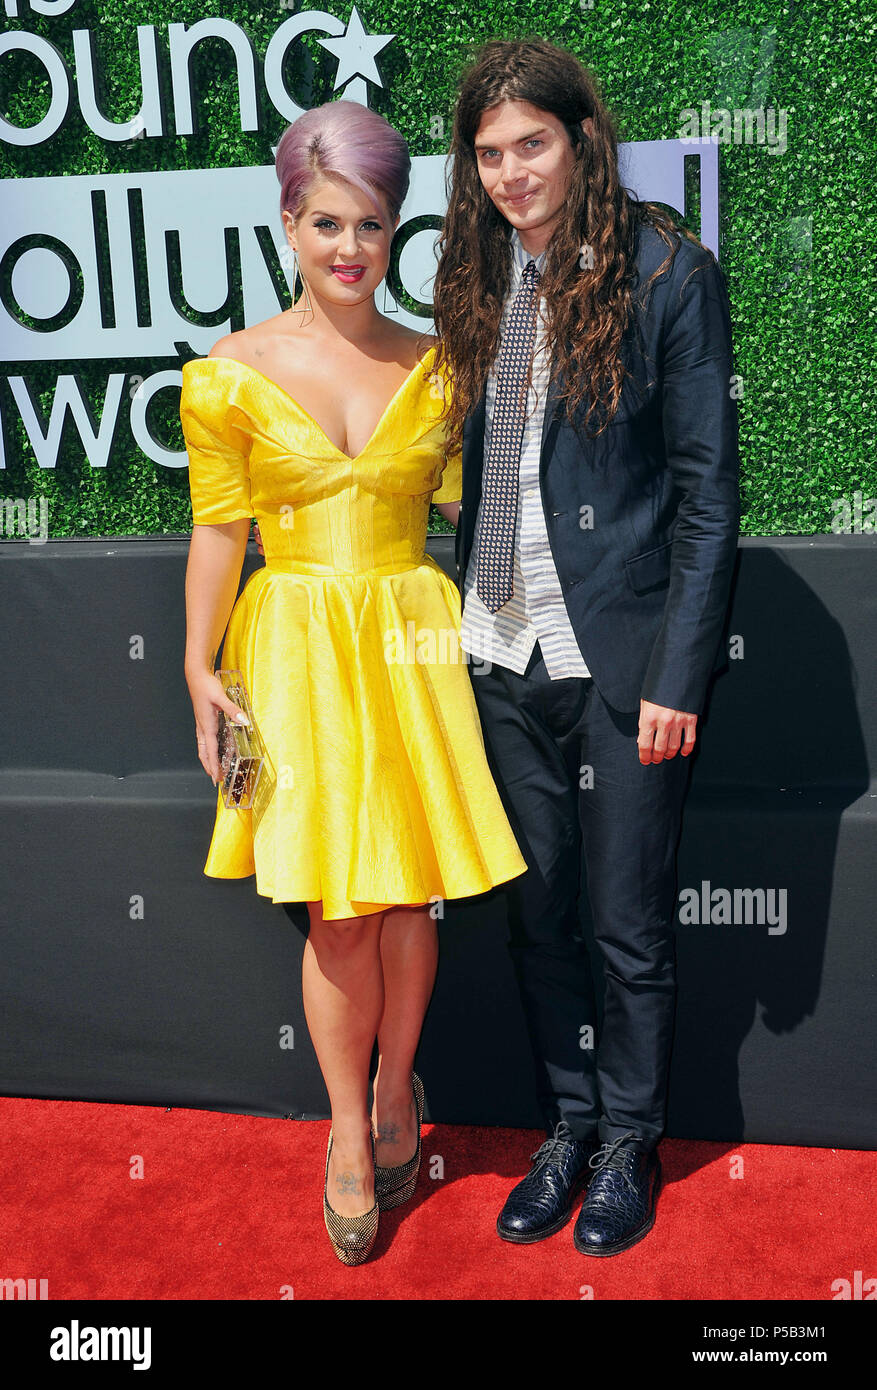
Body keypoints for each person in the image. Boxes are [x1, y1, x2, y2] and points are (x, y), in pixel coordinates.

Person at [180, 99, 526, 1266]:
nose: (347, 248)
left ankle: (394, 1092)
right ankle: (346, 1128)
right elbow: (221, 538)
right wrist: (197, 668)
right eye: (326, 222)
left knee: (411, 893)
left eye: (369, 225)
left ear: (393, 232)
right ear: (288, 221)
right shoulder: (230, 374)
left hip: (413, 639)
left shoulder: (437, 366)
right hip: (294, 651)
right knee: (339, 907)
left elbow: (480, 516)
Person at [431, 38, 740, 1255]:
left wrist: (678, 675)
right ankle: (567, 1123)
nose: (510, 172)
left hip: (619, 660)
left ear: (579, 138)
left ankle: (627, 1142)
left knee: (625, 924)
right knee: (538, 912)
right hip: (498, 651)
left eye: (531, 145)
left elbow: (710, 496)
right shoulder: (471, 270)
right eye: (489, 153)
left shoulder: (667, 268)